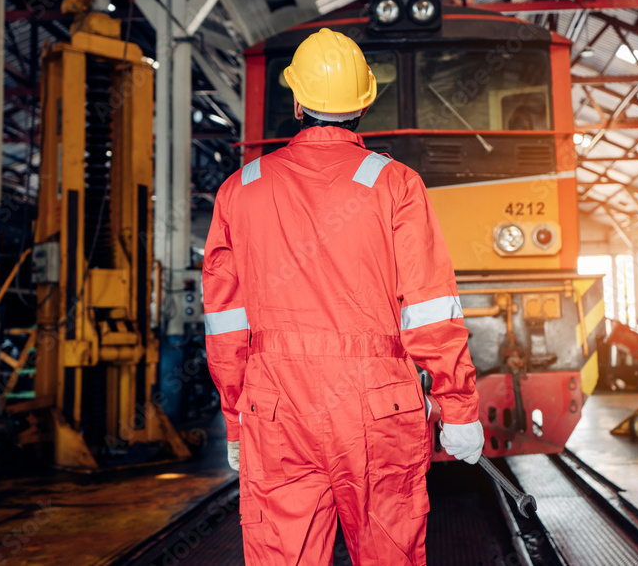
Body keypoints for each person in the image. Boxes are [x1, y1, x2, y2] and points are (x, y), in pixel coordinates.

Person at [203, 28, 484, 565]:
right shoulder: (396, 184)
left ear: (297, 100)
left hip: (276, 408)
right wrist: (458, 405)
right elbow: (429, 309)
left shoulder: (240, 189)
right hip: (377, 406)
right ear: (365, 103)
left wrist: (237, 418)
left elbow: (225, 324)